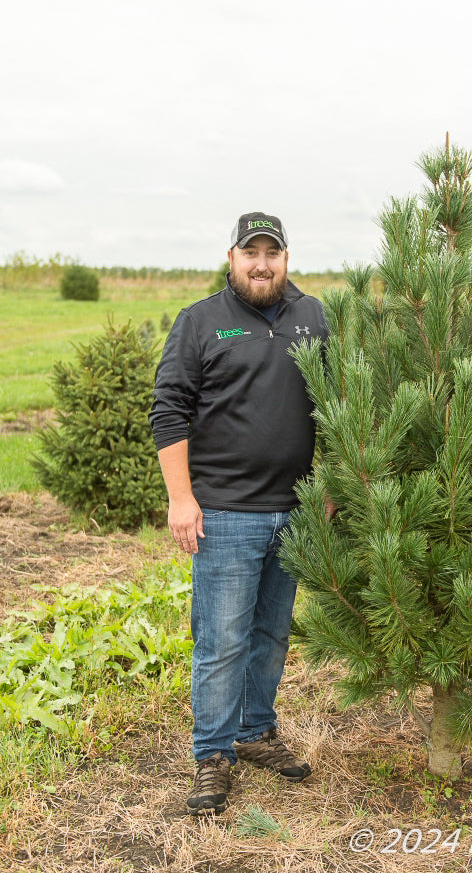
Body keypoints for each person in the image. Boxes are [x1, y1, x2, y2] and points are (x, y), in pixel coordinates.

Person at [149, 212, 329, 816]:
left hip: (296, 510)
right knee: (221, 641)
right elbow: (169, 410)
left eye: (271, 252)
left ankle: (254, 731)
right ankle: (212, 753)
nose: (261, 263)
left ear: (285, 258)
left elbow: (337, 405)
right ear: (231, 258)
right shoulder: (200, 321)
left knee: (271, 634)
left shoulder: (314, 317)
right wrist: (182, 497)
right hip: (224, 513)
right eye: (249, 252)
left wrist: (330, 485)